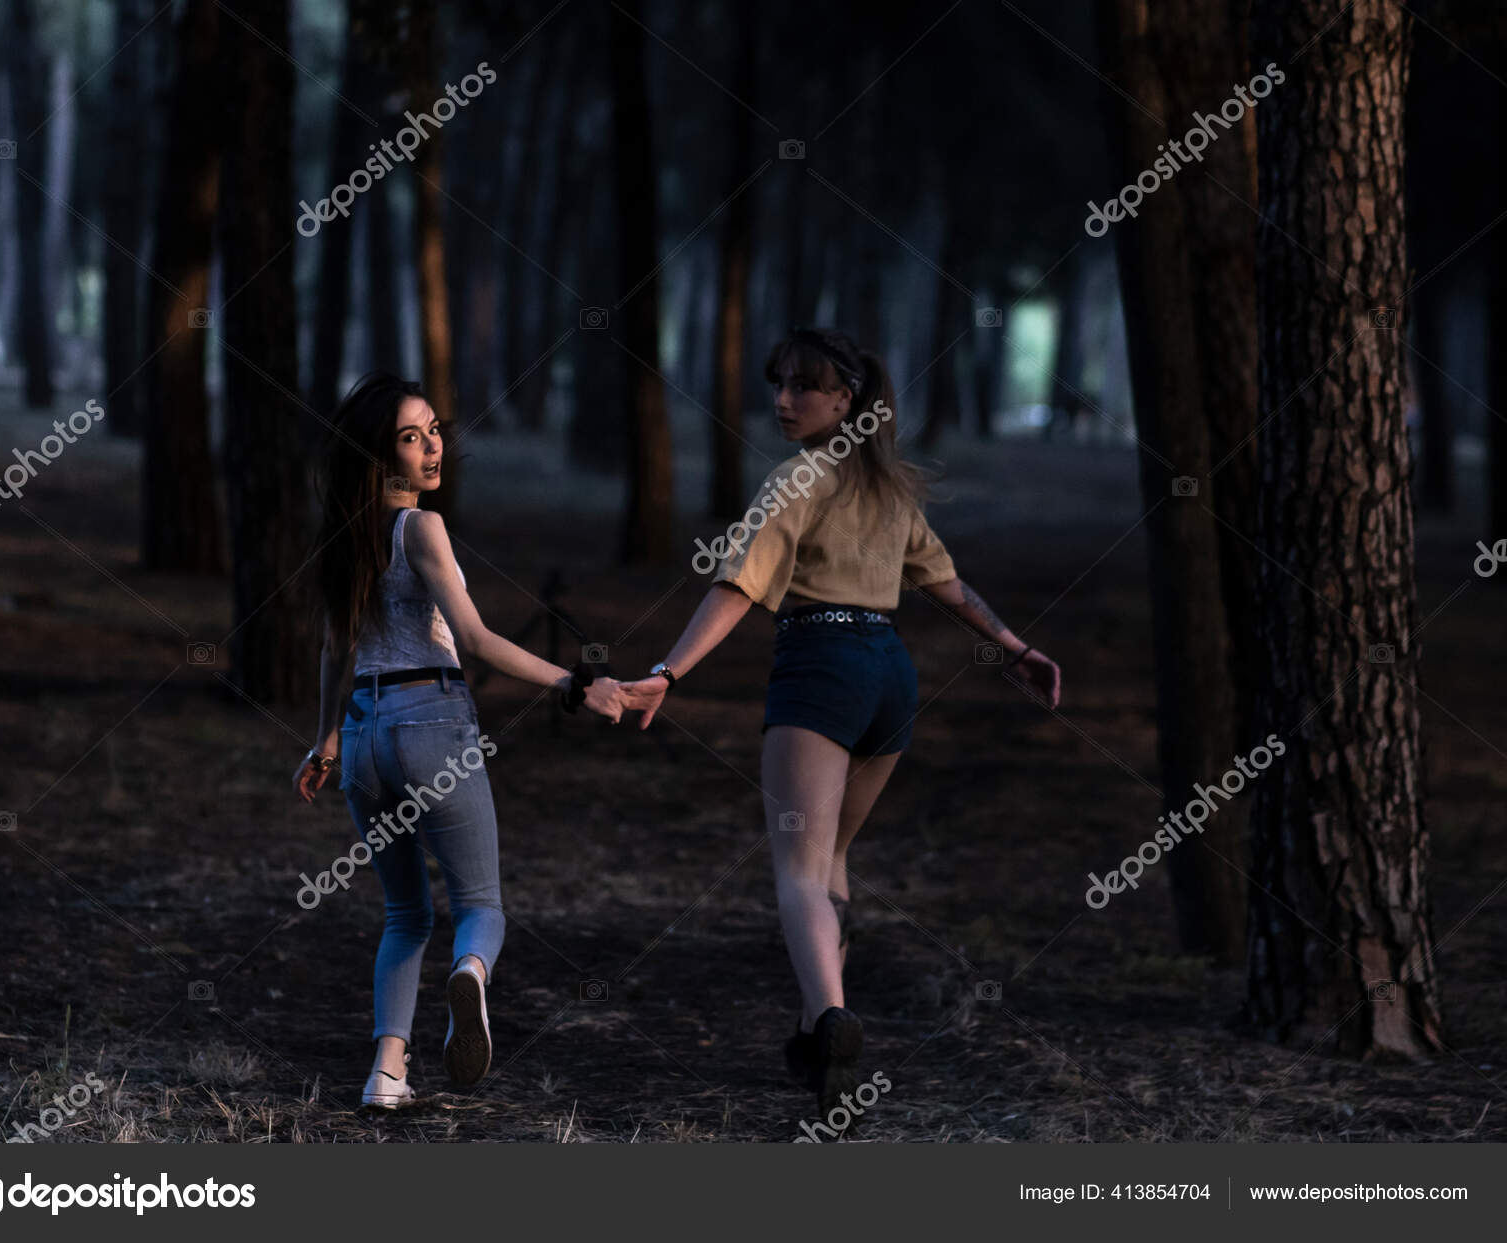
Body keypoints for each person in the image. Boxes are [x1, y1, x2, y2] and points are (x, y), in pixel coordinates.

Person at [622, 328, 1062, 1126]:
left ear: (845, 401)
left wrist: (667, 673)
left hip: (822, 667)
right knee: (833, 857)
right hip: (890, 676)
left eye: (805, 386)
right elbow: (945, 582)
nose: (785, 401)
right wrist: (1016, 647)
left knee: (796, 866)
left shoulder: (796, 480)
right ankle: (813, 1032)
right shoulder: (890, 487)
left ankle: (831, 1017)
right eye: (780, 383)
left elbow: (737, 586)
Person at [292, 372, 635, 1109]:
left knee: (405, 912)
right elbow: (475, 638)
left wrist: (326, 742)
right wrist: (577, 683)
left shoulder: (345, 535)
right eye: (410, 437)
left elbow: (335, 650)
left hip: (363, 737)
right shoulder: (421, 527)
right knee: (481, 903)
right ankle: (470, 974)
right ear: (379, 454)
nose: (431, 447)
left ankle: (386, 1074)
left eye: (434, 429)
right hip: (431, 722)